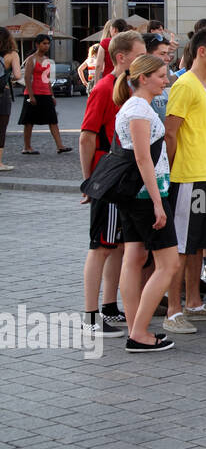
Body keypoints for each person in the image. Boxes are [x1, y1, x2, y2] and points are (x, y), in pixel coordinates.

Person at [164, 27, 206, 333]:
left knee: (199, 243)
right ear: (201, 51)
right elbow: (171, 132)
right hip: (188, 176)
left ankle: (194, 302)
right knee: (181, 246)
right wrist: (175, 170)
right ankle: (173, 309)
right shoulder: (185, 85)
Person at [78, 29, 144, 338]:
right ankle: (91, 315)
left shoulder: (128, 88)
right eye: (138, 52)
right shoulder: (105, 88)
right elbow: (86, 136)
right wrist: (89, 181)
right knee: (100, 247)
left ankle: (108, 306)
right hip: (109, 175)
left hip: (122, 175)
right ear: (122, 57)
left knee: (115, 245)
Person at [112, 53, 178, 352]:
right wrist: (157, 202)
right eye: (161, 76)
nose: (166, 81)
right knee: (168, 264)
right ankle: (138, 332)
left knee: (135, 257)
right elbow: (142, 158)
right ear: (143, 78)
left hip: (136, 193)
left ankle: (135, 326)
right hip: (145, 194)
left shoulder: (137, 106)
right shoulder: (138, 109)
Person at [18, 34, 69, 155]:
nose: (46, 46)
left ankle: (60, 146)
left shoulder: (47, 60)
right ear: (37, 44)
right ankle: (27, 147)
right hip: (33, 93)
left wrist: (52, 95)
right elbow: (27, 77)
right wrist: (31, 95)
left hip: (45, 93)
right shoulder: (31, 59)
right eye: (44, 43)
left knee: (53, 120)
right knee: (29, 121)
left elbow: (47, 79)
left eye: (48, 43)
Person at [0, 29, 21, 171]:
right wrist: (9, 79)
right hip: (3, 94)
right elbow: (18, 75)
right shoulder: (12, 54)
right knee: (1, 128)